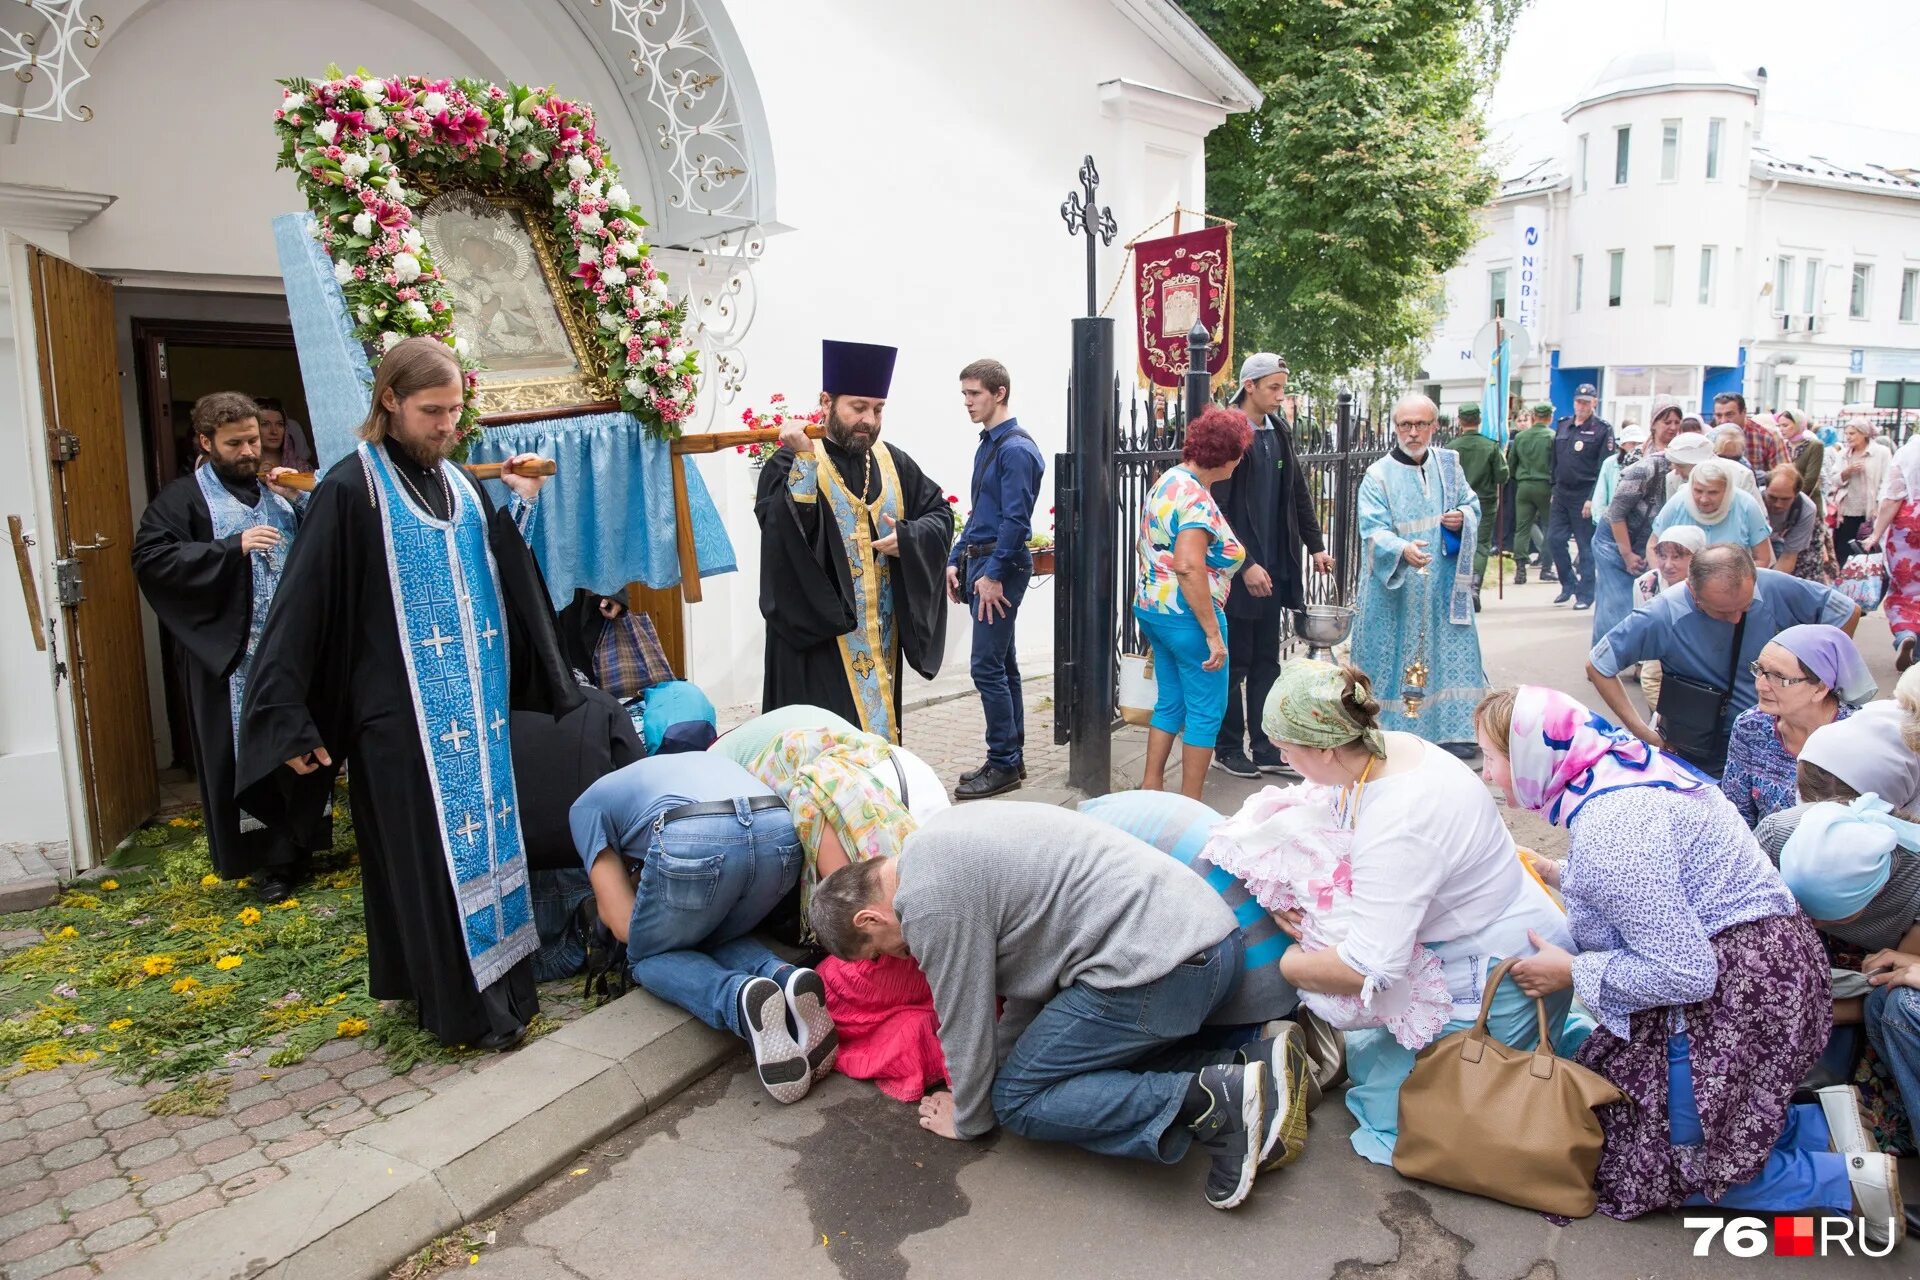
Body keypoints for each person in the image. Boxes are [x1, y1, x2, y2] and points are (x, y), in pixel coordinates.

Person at [236, 336, 576, 1050]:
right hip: (400, 721)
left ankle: (504, 989)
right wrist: (289, 719)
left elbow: (503, 574)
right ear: (389, 401)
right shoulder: (349, 489)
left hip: (473, 718)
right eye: (432, 412)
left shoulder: (457, 483)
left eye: (455, 412)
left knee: (487, 851)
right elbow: (303, 608)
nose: (447, 426)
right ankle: (458, 1008)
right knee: (424, 861)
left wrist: (522, 504)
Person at [1482, 687, 1897, 1238]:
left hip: (1735, 996)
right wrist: (1560, 872)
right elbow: (1666, 874)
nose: (1486, 775)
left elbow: (1684, 972)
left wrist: (1571, 972)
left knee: (1669, 1170)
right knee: (1647, 1128)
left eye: (1492, 758)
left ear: (1537, 758)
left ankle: (1844, 1183)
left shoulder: (1611, 827)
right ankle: (1822, 1127)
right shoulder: (1622, 771)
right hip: (1772, 969)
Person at [807, 802, 1311, 1211]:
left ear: (869, 919)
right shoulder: (937, 841)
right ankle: (1247, 1067)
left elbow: (964, 1020)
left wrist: (969, 1116)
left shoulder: (930, 903)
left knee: (1018, 1103)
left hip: (1165, 968)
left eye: (883, 951)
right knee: (1059, 1068)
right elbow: (1030, 987)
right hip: (1209, 947)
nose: (902, 957)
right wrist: (1006, 1063)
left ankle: (1209, 1102)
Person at [1260, 661, 1573, 1164]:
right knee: (1371, 1065)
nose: (1282, 758)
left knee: (1408, 1120)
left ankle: (1538, 1048)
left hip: (1498, 973)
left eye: (1286, 749)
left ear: (1325, 748)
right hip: (1493, 931)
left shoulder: (1399, 821)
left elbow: (1367, 967)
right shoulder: (1391, 748)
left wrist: (1288, 962)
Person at [132, 392, 315, 901]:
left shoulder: (280, 492)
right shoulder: (183, 499)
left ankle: (303, 845)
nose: (249, 451)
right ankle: (267, 862)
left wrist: (303, 502)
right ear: (207, 442)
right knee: (244, 757)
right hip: (230, 655)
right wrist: (227, 549)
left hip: (288, 656)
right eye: (235, 444)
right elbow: (151, 558)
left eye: (254, 440)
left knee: (296, 750)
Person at [572, 752, 836, 1103]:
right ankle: (783, 976)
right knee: (712, 932)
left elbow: (623, 924)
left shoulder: (583, 809)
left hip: (697, 833)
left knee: (647, 956)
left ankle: (738, 999)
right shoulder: (672, 768)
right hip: (778, 829)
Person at [756, 340, 954, 743]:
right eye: (858, 407)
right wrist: (805, 461)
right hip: (819, 641)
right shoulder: (788, 461)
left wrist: (909, 538)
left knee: (878, 744)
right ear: (826, 402)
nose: (869, 419)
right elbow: (783, 536)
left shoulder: (892, 461)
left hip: (880, 638)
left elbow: (940, 514)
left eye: (878, 409)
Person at [1588, 545, 1861, 776]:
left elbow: (1847, 611)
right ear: (1693, 593)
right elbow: (1598, 666)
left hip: (1785, 741)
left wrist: (1817, 680)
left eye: (1745, 607)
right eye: (1721, 612)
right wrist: (1642, 733)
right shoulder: (1662, 615)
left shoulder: (1771, 585)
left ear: (1753, 579)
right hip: (1706, 750)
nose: (1736, 619)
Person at [1210, 354, 1333, 777]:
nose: (1281, 396)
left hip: (1276, 567)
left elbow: (1296, 491)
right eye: (1273, 388)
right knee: (1235, 662)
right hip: (1240, 572)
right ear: (1249, 386)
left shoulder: (1278, 430)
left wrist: (1316, 546)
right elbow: (1218, 511)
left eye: (1283, 387)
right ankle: (1228, 748)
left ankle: (1263, 746)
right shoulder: (1229, 432)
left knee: (1267, 660)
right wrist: (1244, 564)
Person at [1350, 393, 1485, 752]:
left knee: (1446, 654)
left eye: (1420, 424)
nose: (1412, 432)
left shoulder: (1449, 466)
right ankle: (1390, 730)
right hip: (1396, 590)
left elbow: (1471, 505)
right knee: (1395, 659)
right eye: (1405, 425)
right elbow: (1372, 530)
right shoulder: (1377, 475)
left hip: (1442, 584)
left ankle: (1454, 731)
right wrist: (1401, 549)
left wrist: (1461, 519)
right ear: (1395, 427)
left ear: (1434, 426)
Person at [1132, 406, 1250, 800]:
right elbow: (1187, 565)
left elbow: (1144, 545)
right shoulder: (1196, 499)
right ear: (1229, 455)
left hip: (1154, 609)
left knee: (1170, 701)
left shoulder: (1167, 481)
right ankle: (1190, 804)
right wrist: (1213, 634)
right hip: (1189, 618)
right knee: (1205, 711)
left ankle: (1151, 786)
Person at [944, 359, 1044, 799]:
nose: (967, 402)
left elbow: (1016, 521)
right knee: (1003, 665)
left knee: (985, 666)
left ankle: (1003, 763)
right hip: (981, 561)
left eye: (974, 394)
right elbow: (980, 514)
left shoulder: (1016, 450)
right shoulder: (989, 444)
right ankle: (1010, 758)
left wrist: (994, 575)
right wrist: (953, 557)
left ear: (999, 393)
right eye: (964, 394)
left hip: (999, 568)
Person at [1719, 624, 1875, 828]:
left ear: (1819, 688)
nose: (1760, 685)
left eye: (1778, 677)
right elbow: (1737, 815)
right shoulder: (1751, 727)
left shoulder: (1860, 736)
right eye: (1760, 670)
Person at [1546, 383, 1613, 609]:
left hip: (1584, 494)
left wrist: (1592, 498)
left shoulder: (1602, 429)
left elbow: (1603, 468)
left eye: (1586, 402)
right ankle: (1568, 584)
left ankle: (1586, 594)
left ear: (1594, 402)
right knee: (1554, 539)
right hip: (1562, 493)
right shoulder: (1564, 424)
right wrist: (1554, 488)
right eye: (1578, 402)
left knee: (1585, 547)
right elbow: (1555, 461)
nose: (1581, 406)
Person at [1588, 420, 1652, 642]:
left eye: (1637, 443)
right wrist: (1597, 518)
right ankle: (1604, 658)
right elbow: (1608, 502)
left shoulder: (1654, 469)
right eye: (1628, 443)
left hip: (1636, 541)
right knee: (1616, 601)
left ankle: (1632, 656)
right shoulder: (1620, 467)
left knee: (1631, 600)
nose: (1632, 447)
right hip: (1610, 539)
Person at [1632, 526, 1706, 715]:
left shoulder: (1708, 583)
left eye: (1677, 557)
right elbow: (1643, 631)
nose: (1667, 564)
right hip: (1659, 655)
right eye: (1662, 556)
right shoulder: (1645, 584)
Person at [1863, 425, 1920, 671]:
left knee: (1903, 591)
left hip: (1908, 525)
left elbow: (1892, 498)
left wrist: (1875, 534)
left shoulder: (1908, 452)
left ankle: (1905, 633)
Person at [1651, 460, 1774, 566]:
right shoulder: (1678, 502)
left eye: (1713, 492)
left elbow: (1763, 558)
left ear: (1726, 490)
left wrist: (1733, 580)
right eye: (1698, 491)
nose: (1704, 499)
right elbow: (1652, 545)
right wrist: (1663, 580)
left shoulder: (1747, 505)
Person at [1446, 404, 1508, 611]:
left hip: (1457, 503)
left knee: (1458, 543)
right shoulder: (1490, 446)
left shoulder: (1451, 446)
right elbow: (1502, 476)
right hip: (1485, 501)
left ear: (1460, 420)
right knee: (1480, 545)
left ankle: (1457, 589)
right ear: (1479, 420)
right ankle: (1473, 587)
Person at [1832, 421, 1893, 567]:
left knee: (1867, 552)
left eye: (1852, 433)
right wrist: (1847, 472)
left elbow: (1887, 481)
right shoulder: (1843, 454)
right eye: (1846, 434)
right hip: (1847, 509)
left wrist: (1879, 505)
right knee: (1844, 550)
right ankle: (1845, 581)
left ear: (1864, 433)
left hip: (1871, 510)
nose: (1848, 437)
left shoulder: (1881, 452)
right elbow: (1833, 480)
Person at [1506, 403, 1555, 585]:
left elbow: (1511, 464)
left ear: (1534, 417)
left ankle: (1520, 569)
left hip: (1524, 485)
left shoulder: (1520, 437)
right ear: (1549, 418)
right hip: (1545, 485)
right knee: (1549, 526)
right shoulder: (1552, 437)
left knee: (1522, 528)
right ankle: (1546, 568)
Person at [1763, 463, 1834, 584]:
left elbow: (1789, 557)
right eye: (1772, 497)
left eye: (1785, 499)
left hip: (1791, 545)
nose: (1777, 504)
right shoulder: (1753, 499)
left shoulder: (1806, 508)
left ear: (1796, 495)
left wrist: (1768, 586)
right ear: (1766, 489)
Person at [1714, 390, 1786, 476]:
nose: (1723, 421)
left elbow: (1783, 475)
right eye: (1718, 415)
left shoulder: (1768, 437)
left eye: (1729, 414)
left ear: (1744, 412)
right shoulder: (1709, 438)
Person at [1776, 408, 1825, 516]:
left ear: (1798, 424)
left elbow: (1811, 478)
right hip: (1784, 504)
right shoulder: (1782, 445)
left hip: (1807, 502)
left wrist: (1792, 499)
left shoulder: (1814, 445)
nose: (1781, 429)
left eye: (1785, 425)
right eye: (1779, 426)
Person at [254, 398, 314, 473]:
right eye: (265, 424)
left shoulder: (301, 468)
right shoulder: (245, 467)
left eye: (280, 424)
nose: (274, 431)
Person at [1709, 424, 1762, 498]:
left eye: (1735, 459)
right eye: (1722, 457)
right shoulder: (1705, 468)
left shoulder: (1746, 471)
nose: (1730, 463)